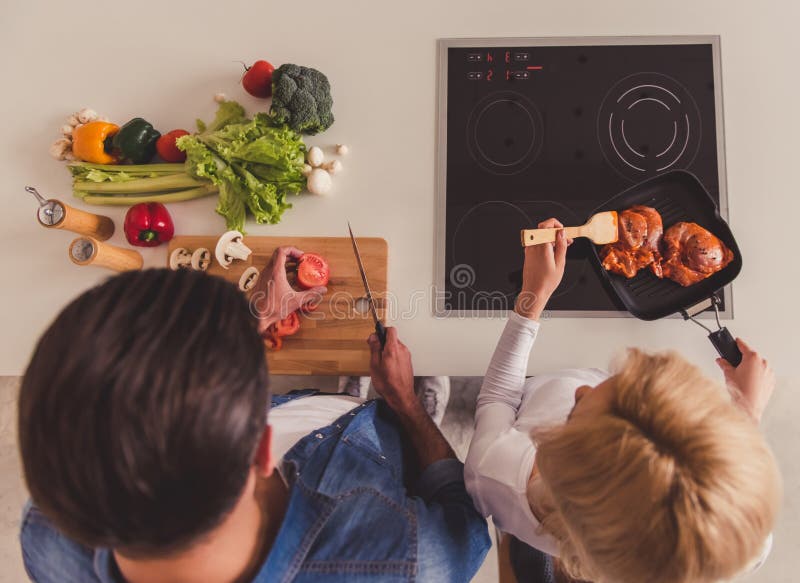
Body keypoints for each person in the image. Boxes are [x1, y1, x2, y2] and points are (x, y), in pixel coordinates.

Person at [18, 247, 490, 583]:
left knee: (343, 404)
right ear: (265, 449)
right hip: (365, 452)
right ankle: (393, 413)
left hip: (306, 418)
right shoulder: (404, 560)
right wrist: (406, 404)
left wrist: (253, 321)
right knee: (394, 422)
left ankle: (352, 401)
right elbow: (464, 524)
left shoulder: (47, 533)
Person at [464, 219, 782, 583]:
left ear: (559, 458)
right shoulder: (741, 536)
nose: (583, 391)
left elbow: (498, 396)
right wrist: (747, 411)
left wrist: (531, 297)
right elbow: (731, 478)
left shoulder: (495, 470)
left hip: (532, 386)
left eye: (575, 414)